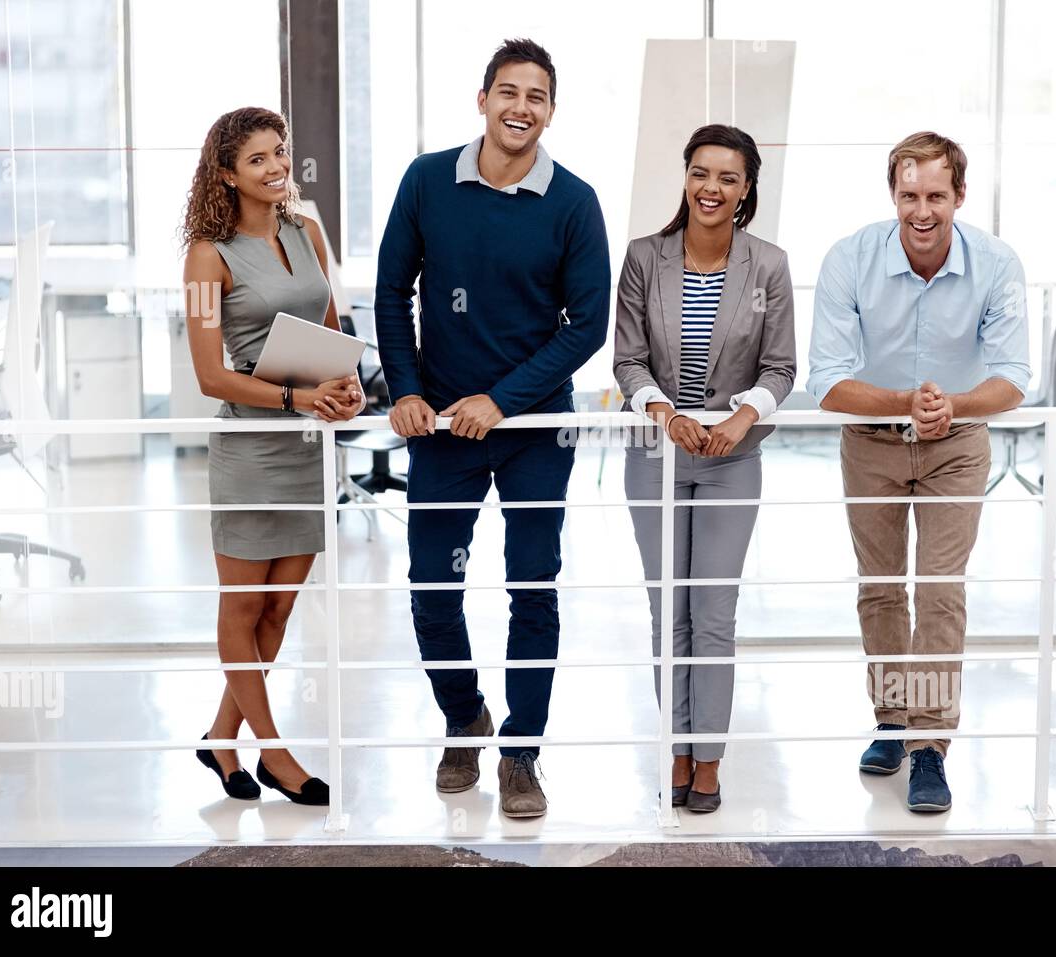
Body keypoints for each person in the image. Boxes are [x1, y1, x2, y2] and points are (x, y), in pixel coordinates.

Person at [375, 39, 610, 817]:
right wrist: (406, 390)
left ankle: (520, 752)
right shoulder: (425, 181)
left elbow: (588, 327)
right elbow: (390, 295)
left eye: (536, 95)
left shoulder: (573, 202)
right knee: (432, 588)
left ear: (550, 110)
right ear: (482, 99)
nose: (520, 107)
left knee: (531, 586)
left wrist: (502, 400)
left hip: (535, 430)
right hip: (441, 427)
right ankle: (463, 715)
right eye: (507, 91)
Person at [806, 131, 1030, 813]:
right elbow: (825, 379)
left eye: (937, 195)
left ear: (959, 195)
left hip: (957, 441)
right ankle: (892, 718)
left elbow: (1015, 378)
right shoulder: (851, 258)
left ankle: (928, 746)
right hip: (870, 438)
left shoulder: (995, 263)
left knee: (938, 589)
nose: (922, 210)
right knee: (879, 588)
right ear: (893, 195)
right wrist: (906, 403)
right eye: (910, 195)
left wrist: (949, 407)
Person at [181, 106, 365, 805]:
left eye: (280, 152)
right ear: (226, 174)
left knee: (280, 609)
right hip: (251, 448)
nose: (277, 166)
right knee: (245, 601)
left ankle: (222, 737)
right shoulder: (207, 255)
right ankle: (274, 752)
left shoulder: (307, 229)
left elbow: (328, 333)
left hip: (306, 447)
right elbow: (211, 375)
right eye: (258, 159)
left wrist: (341, 388)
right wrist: (294, 401)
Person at [614, 124, 796, 813]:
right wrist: (666, 413)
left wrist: (740, 418)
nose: (710, 188)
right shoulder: (643, 258)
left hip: (731, 456)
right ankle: (677, 749)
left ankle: (709, 759)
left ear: (747, 189)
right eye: (700, 173)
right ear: (685, 177)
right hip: (658, 452)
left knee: (714, 613)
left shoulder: (769, 266)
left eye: (727, 177)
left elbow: (781, 365)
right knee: (670, 614)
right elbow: (627, 358)